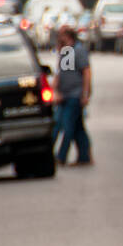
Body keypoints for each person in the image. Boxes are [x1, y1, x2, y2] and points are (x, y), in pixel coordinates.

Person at [52, 25, 92, 166]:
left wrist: (85, 94)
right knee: (76, 127)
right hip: (64, 95)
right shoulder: (65, 51)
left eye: (61, 35)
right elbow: (60, 73)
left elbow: (86, 73)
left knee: (67, 126)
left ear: (68, 36)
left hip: (75, 95)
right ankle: (85, 156)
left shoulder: (79, 50)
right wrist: (55, 90)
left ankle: (61, 157)